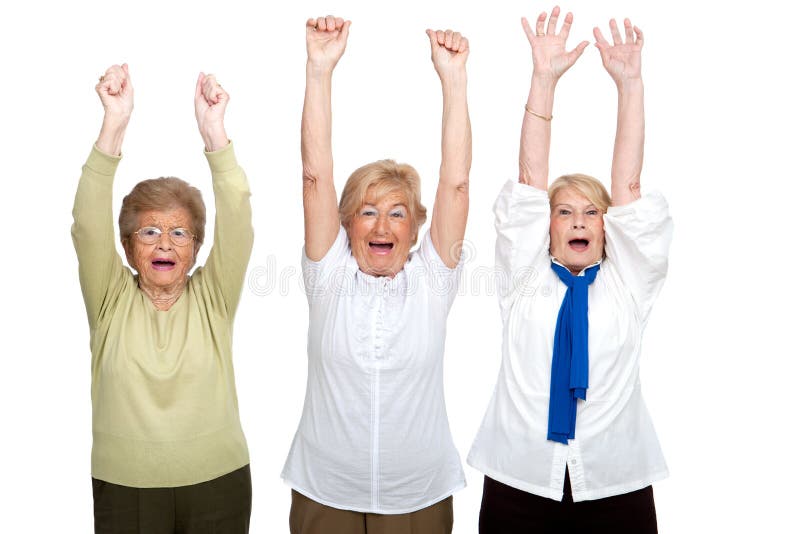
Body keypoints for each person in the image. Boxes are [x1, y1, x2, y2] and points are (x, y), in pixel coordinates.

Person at [468, 7, 672, 533]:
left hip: (614, 481)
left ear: (607, 229)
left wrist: (630, 85)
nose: (578, 220)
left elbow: (628, 187)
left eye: (590, 212)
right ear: (548, 227)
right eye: (564, 211)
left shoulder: (629, 283)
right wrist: (543, 79)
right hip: (520, 479)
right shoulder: (523, 277)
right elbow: (530, 178)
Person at [282, 15, 471, 534]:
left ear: (416, 230)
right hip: (326, 490)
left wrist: (453, 82)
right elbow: (314, 173)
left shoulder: (433, 281)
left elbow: (455, 185)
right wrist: (319, 69)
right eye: (367, 211)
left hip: (417, 495)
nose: (382, 224)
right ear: (346, 225)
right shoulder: (330, 274)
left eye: (397, 212)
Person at [72, 64, 253, 533]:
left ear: (196, 247)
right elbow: (88, 224)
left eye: (179, 232)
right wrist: (114, 123)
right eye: (149, 231)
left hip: (219, 481)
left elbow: (237, 219)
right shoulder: (110, 299)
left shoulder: (213, 298)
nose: (165, 244)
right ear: (129, 245)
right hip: (125, 486)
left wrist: (214, 131)